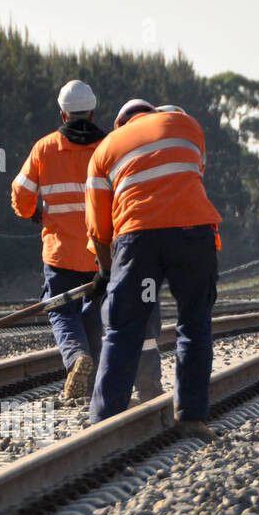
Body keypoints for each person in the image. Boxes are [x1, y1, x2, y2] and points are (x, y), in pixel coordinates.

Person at [84, 99, 222, 437]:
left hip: (137, 238)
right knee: (194, 324)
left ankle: (103, 423)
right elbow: (193, 174)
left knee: (123, 329)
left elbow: (99, 230)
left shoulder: (104, 150)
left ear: (120, 124)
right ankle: (191, 417)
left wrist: (106, 270)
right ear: (154, 114)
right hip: (193, 232)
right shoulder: (186, 125)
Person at [11, 80, 109, 398]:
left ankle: (76, 358)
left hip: (61, 253)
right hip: (101, 253)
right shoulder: (110, 147)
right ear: (92, 113)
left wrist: (31, 213)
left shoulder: (45, 148)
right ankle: (89, 380)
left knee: (59, 309)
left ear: (63, 114)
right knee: (93, 312)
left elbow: (21, 194)